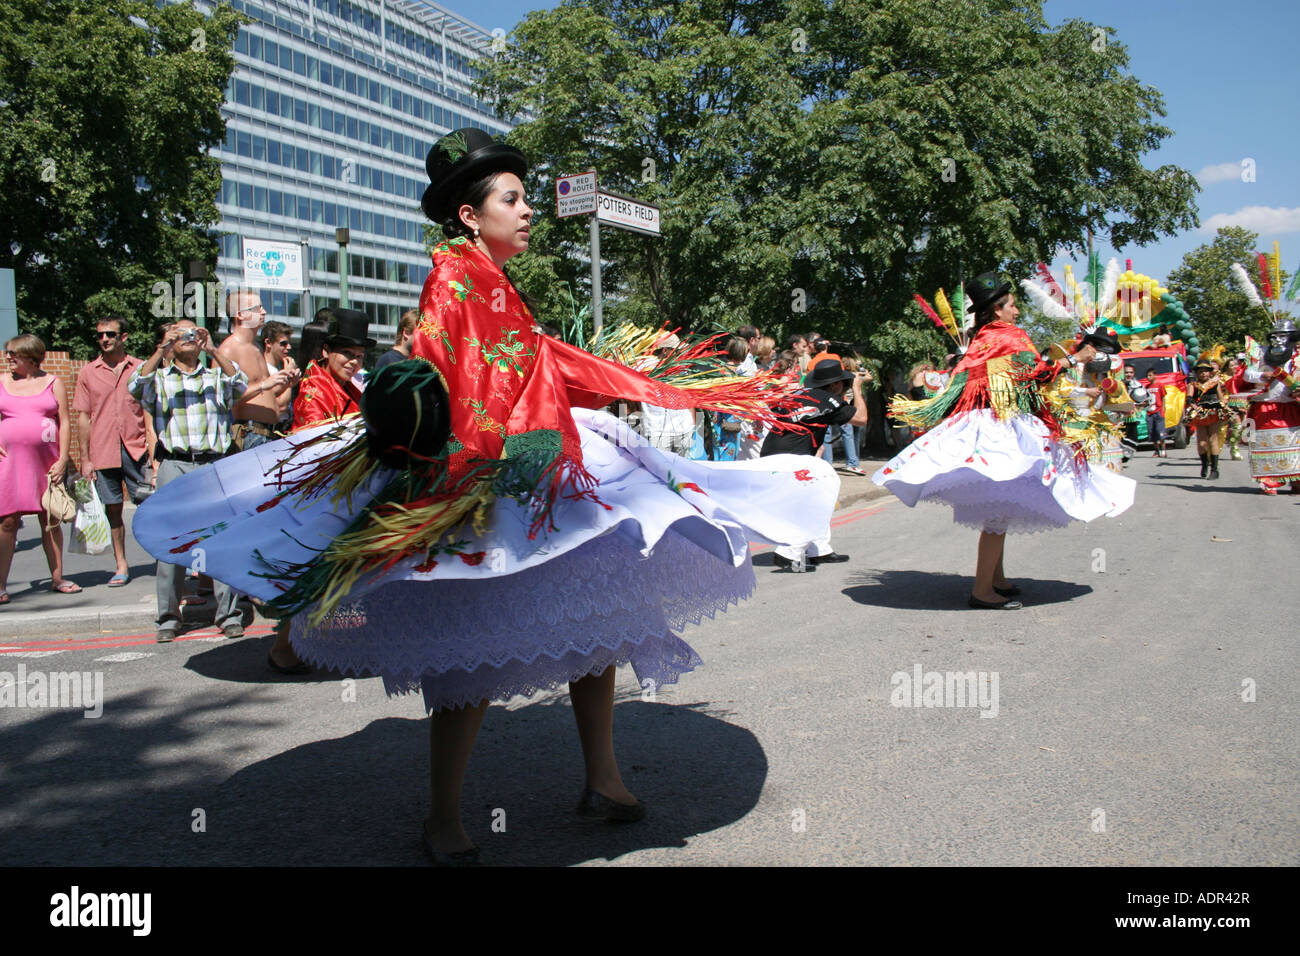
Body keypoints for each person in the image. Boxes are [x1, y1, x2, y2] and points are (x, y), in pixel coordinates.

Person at [130, 128, 837, 863]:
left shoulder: (495, 278)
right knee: (472, 650)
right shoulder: (451, 279)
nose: (528, 210)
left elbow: (543, 363)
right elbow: (444, 379)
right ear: (470, 214)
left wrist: (616, 391)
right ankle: (444, 818)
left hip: (544, 466)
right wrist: (472, 467)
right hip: (486, 478)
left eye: (526, 197)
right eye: (512, 198)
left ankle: (603, 778)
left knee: (596, 621)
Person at [872, 272, 1135, 610]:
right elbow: (1037, 374)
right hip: (1002, 426)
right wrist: (1077, 359)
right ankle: (982, 591)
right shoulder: (1010, 337)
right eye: (1012, 305)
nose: (1017, 311)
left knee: (1002, 503)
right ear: (997, 309)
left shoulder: (982, 337)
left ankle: (996, 578)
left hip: (984, 423)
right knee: (998, 508)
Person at [128, 320, 248, 641]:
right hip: (175, 464)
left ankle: (229, 615)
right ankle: (168, 618)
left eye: (193, 333)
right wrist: (161, 349)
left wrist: (212, 350)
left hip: (213, 465)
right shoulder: (160, 379)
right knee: (171, 544)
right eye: (179, 334)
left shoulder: (215, 376)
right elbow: (134, 387)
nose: (187, 338)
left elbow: (240, 383)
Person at [761, 358, 869, 567]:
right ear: (835, 385)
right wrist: (857, 388)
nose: (844, 388)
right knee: (813, 499)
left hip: (776, 455)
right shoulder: (830, 401)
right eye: (843, 384)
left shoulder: (800, 394)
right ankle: (789, 552)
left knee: (818, 492)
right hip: (790, 459)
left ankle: (819, 548)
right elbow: (862, 418)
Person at [73, 316, 154, 586]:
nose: (104, 339)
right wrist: (85, 459)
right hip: (103, 449)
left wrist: (153, 453)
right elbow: (83, 417)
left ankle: (163, 559)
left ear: (123, 337)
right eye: (100, 335)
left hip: (137, 447)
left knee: (151, 507)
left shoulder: (140, 368)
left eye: (110, 334)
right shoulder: (88, 372)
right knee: (113, 510)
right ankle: (121, 564)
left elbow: (150, 410)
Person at [1, 334, 79, 602]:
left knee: (50, 519)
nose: (8, 357)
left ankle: (57, 578)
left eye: (13, 353)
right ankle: (0, 585)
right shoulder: (1, 382)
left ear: (31, 356)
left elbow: (65, 421)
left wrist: (63, 459)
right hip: (8, 463)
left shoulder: (52, 383)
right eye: (7, 353)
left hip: (47, 461)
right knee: (7, 522)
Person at [218, 291, 299, 449]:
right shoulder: (228, 350)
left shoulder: (255, 348)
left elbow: (266, 394)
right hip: (249, 433)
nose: (264, 312)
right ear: (240, 315)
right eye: (257, 308)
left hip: (267, 433)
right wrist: (265, 384)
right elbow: (223, 397)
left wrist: (287, 382)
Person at [1242, 318, 1300, 494]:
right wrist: (1262, 376)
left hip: (1292, 407)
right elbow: (1246, 374)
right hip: (1265, 407)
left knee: (1295, 448)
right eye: (1276, 335)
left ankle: (1296, 481)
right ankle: (1269, 482)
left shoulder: (1298, 356)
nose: (1279, 339)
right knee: (1266, 445)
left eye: (1284, 336)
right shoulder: (1261, 352)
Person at [292, 310, 371, 428]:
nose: (354, 361)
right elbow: (317, 441)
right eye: (347, 352)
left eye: (359, 356)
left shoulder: (350, 390)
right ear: (326, 351)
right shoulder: (312, 394)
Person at [1186, 353, 1228, 480]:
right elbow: (1189, 398)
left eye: (1206, 371)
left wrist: (1223, 406)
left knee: (1213, 439)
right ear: (1197, 373)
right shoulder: (1192, 385)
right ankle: (1204, 464)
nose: (1203, 374)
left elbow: (1222, 398)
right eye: (1200, 372)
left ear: (1210, 373)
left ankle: (1214, 470)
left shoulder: (1215, 384)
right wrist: (1195, 408)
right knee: (1202, 442)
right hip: (1200, 414)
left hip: (1213, 413)